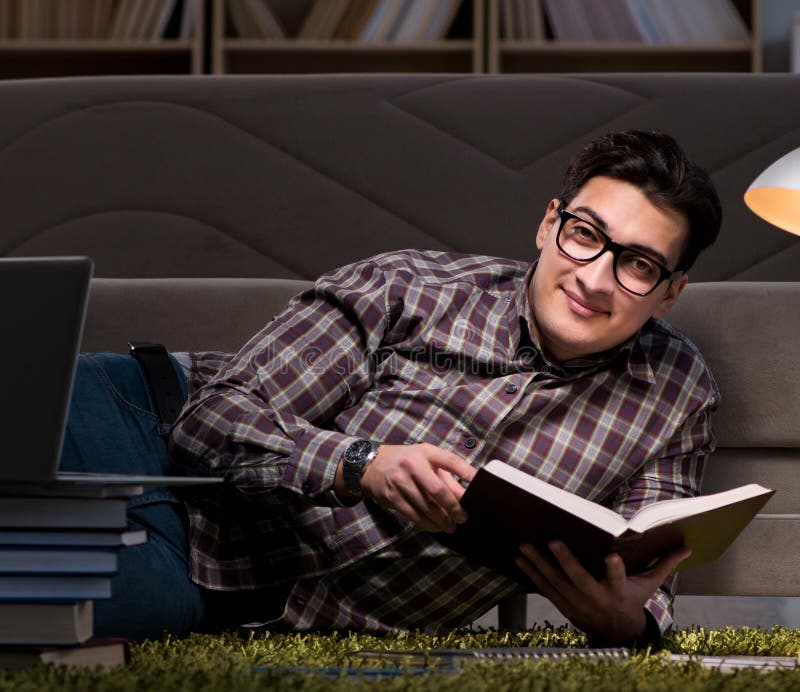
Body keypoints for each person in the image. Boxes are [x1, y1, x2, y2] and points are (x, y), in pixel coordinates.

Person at [61, 129, 722, 646]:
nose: (595, 279)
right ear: (550, 224)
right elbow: (208, 422)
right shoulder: (408, 286)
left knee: (35, 604)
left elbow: (654, 560)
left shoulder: (676, 392)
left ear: (670, 293)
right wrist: (361, 465)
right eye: (585, 235)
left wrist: (628, 624)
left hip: (221, 588)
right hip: (138, 421)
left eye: (638, 264)